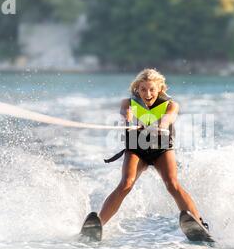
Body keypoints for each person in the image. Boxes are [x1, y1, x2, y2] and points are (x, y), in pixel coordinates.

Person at [82, 69, 208, 239]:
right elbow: (125, 112)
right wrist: (128, 117)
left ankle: (200, 223)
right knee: (126, 184)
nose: (147, 94)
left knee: (172, 184)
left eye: (152, 90)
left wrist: (162, 125)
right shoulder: (128, 103)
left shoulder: (171, 105)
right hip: (137, 149)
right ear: (137, 89)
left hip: (161, 150)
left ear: (160, 89)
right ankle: (97, 225)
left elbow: (170, 117)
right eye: (143, 89)